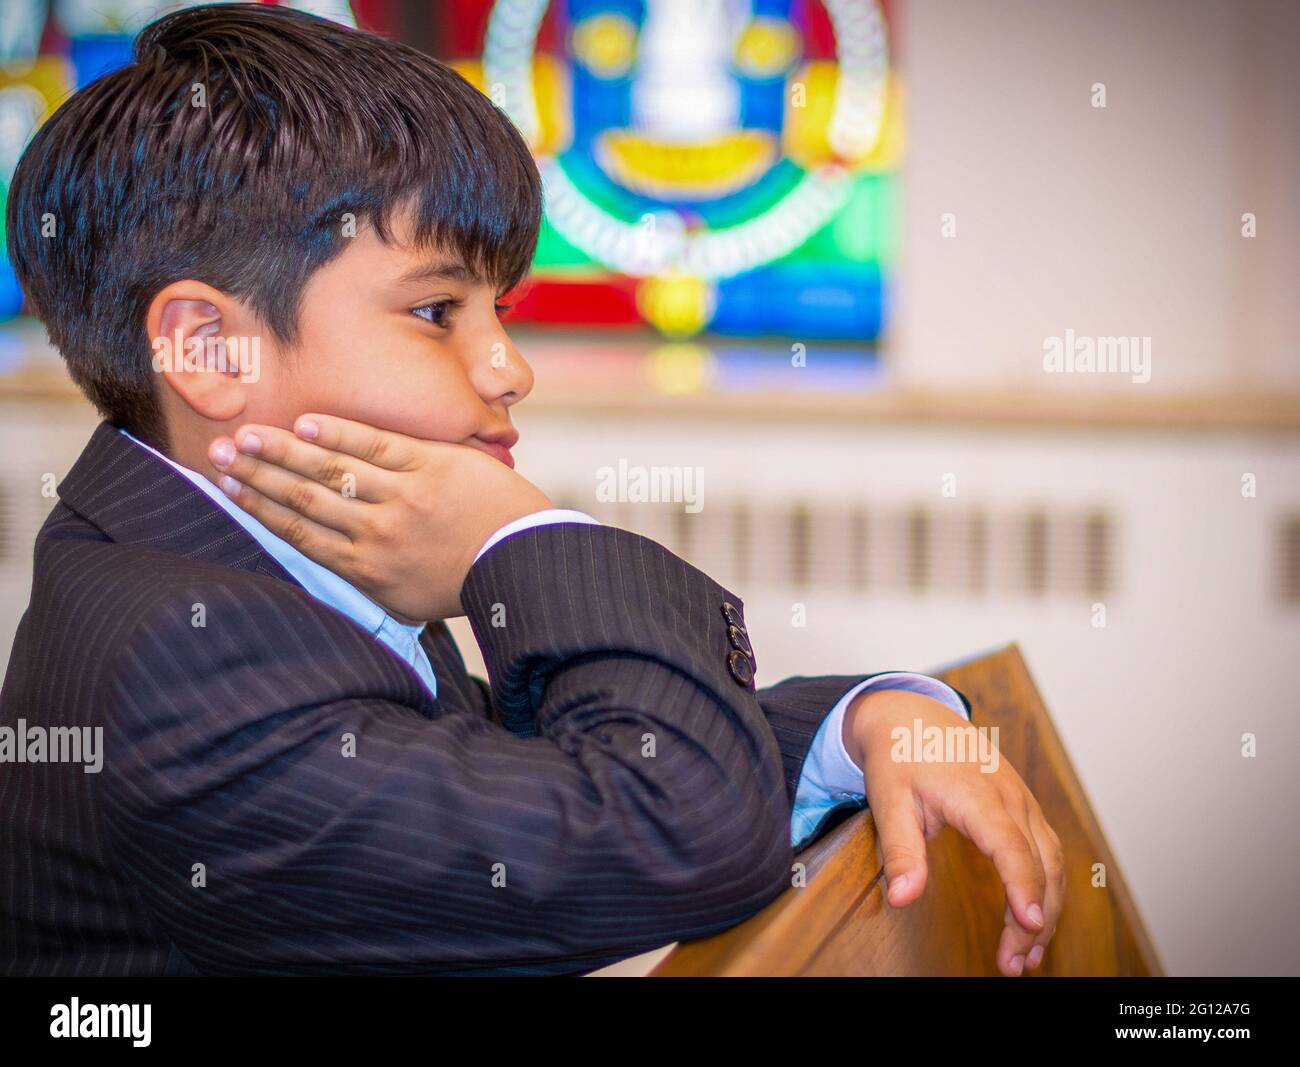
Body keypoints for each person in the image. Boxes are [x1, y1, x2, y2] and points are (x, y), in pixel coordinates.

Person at [0, 3, 1063, 976]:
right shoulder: (183, 662)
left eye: (497, 311)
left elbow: (530, 773)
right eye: (436, 312)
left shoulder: (249, 556)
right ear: (208, 347)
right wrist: (517, 536)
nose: (510, 368)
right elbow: (671, 825)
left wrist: (869, 716)